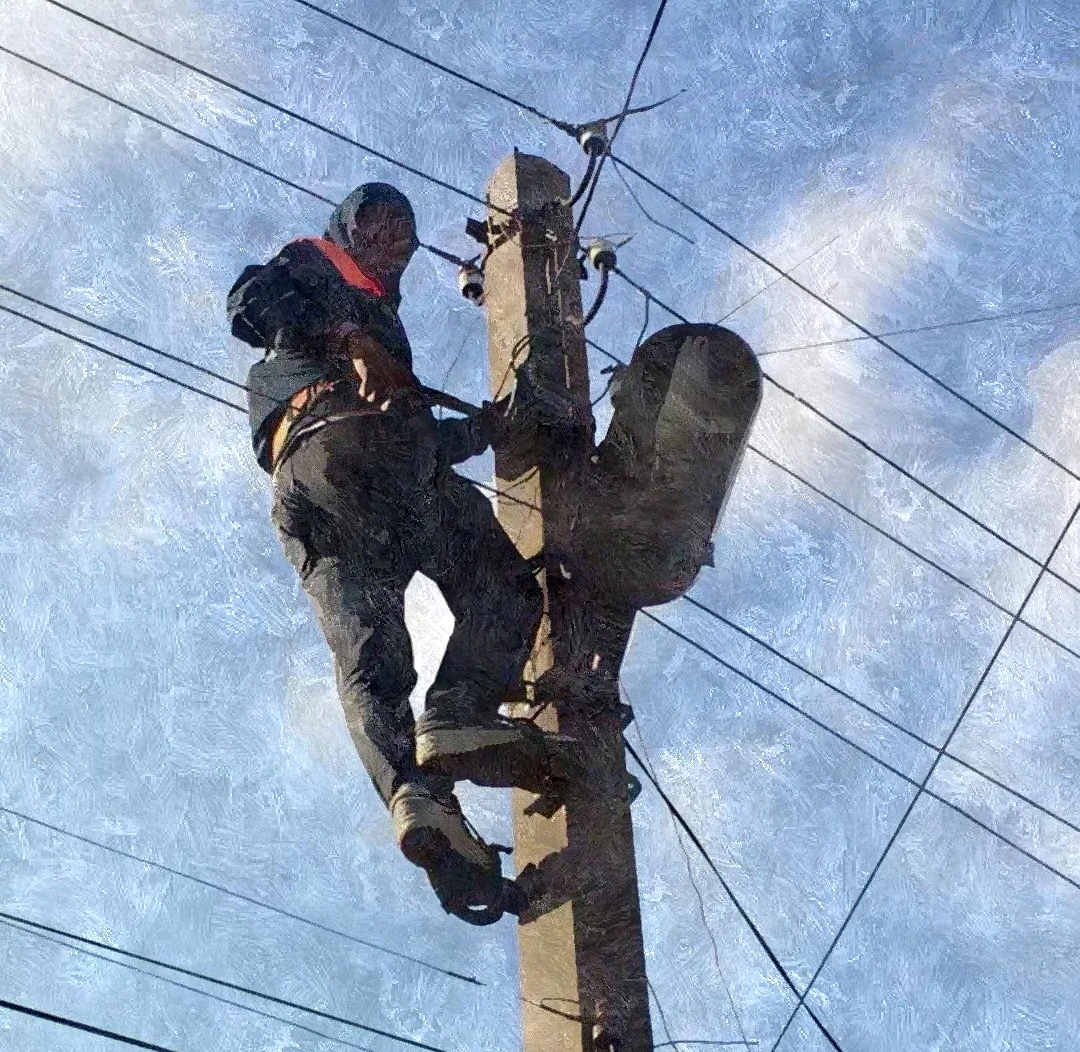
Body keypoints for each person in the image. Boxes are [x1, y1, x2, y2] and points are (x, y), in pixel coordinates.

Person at [227, 183, 556, 918]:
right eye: (380, 224)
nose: (396, 241)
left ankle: (423, 806)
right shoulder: (315, 267)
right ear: (345, 227)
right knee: (502, 589)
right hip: (354, 453)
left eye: (405, 233)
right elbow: (248, 301)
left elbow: (416, 449)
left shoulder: (367, 326)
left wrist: (489, 432)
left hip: (316, 487)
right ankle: (460, 708)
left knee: (370, 658)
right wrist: (352, 336)